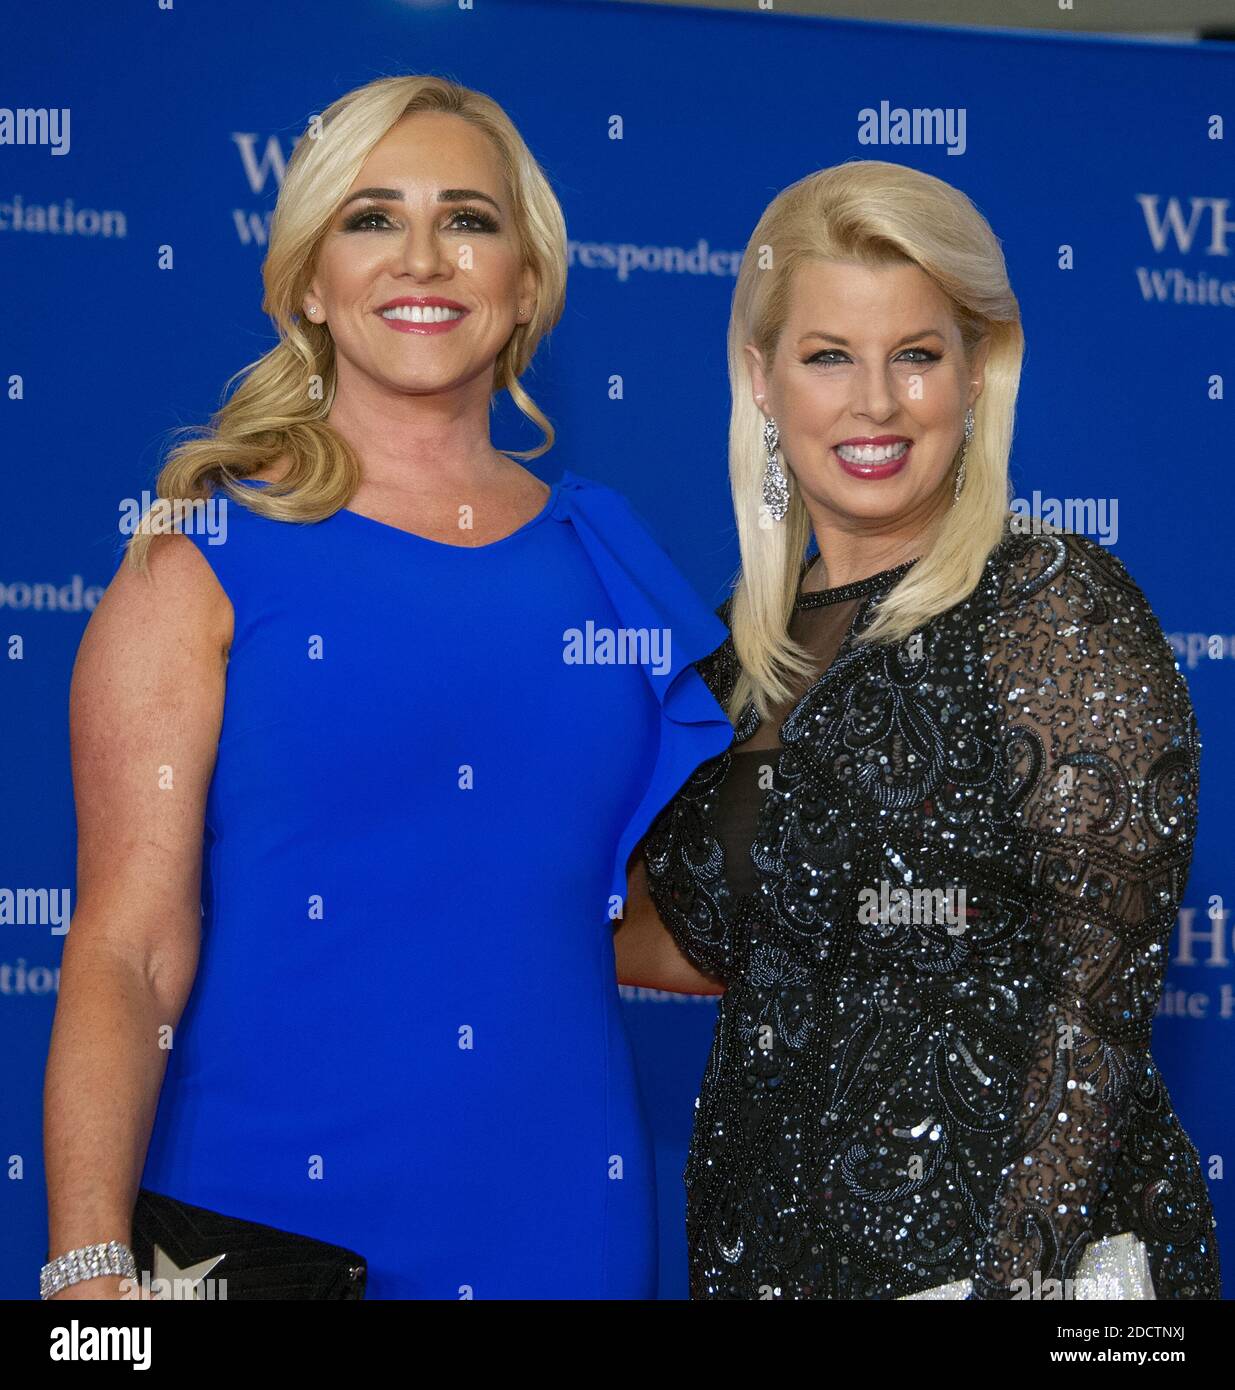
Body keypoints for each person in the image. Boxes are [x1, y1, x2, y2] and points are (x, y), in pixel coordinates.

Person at [42, 74, 732, 1301]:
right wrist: (87, 1273)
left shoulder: (608, 556)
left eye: (467, 218)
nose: (423, 256)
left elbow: (643, 914)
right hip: (262, 1235)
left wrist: (917, 926)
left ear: (526, 281)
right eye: (370, 218)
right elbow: (129, 945)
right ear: (310, 278)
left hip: (561, 1224)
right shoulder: (199, 558)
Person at [616, 159, 1222, 1300]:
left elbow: (1093, 1011)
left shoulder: (1052, 608)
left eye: (915, 355)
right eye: (827, 355)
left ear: (976, 371)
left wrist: (1013, 1288)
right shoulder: (735, 658)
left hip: (1012, 1276)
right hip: (763, 1264)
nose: (875, 404)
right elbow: (707, 940)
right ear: (762, 376)